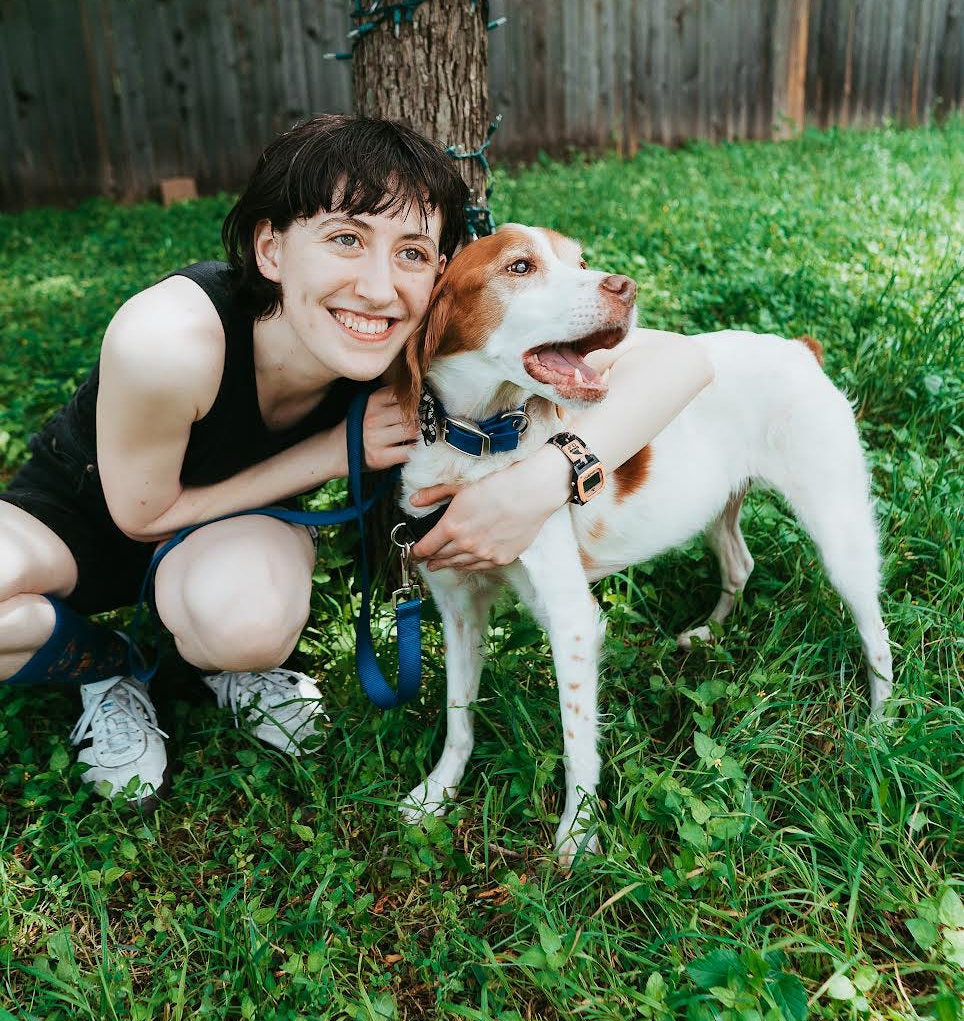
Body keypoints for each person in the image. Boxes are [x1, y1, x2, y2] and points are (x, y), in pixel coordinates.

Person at [0, 114, 713, 810]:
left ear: (439, 274)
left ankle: (207, 664)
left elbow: (682, 362)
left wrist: (545, 479)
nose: (377, 287)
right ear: (271, 249)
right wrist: (333, 451)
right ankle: (108, 662)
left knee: (244, 620)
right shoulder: (171, 337)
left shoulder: (411, 335)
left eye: (410, 252)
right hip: (88, 509)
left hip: (228, 538)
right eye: (346, 238)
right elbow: (140, 514)